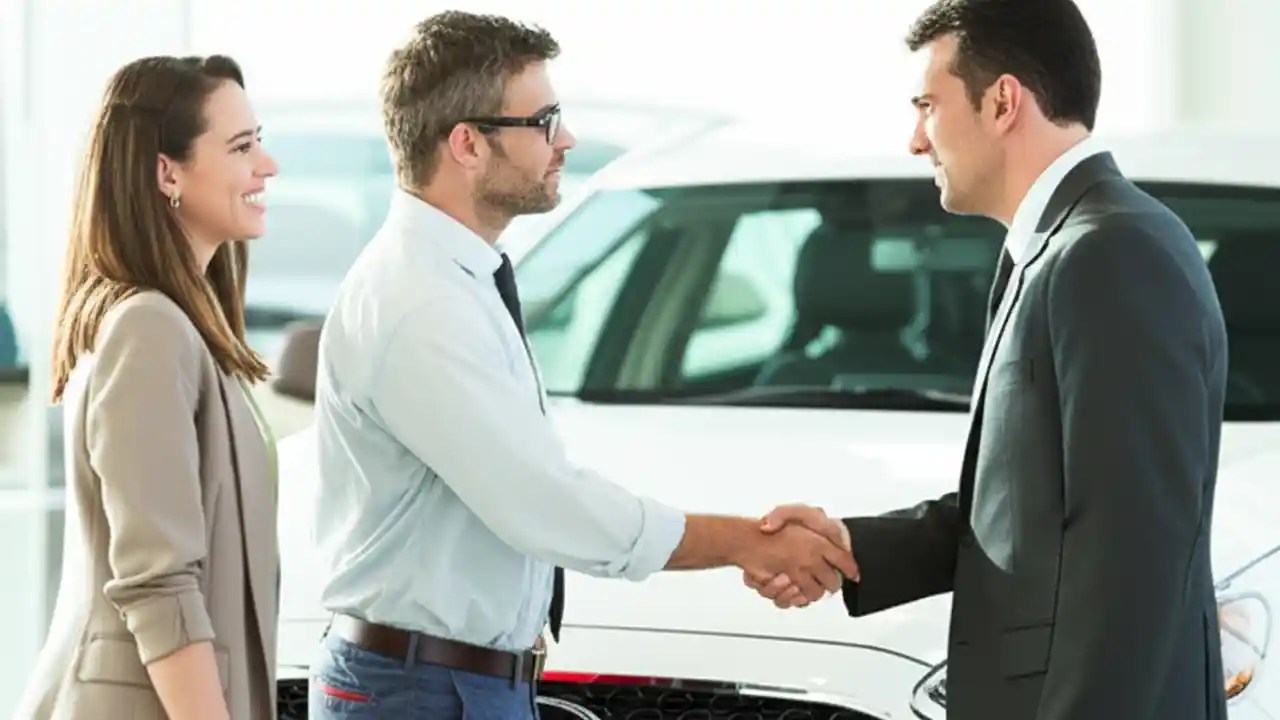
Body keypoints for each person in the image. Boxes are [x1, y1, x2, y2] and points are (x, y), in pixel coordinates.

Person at [306, 10, 857, 719]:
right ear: (467, 144)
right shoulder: (419, 302)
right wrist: (745, 541)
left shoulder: (456, 279)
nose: (566, 139)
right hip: (422, 692)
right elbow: (545, 503)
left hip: (449, 682)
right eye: (543, 121)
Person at [749, 0, 1230, 718]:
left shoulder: (1110, 252)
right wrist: (852, 547)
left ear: (1003, 101)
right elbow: (1027, 515)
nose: (916, 140)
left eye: (927, 105)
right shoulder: (1056, 248)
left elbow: (1131, 560)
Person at [17, 55, 281, 720]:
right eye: (242, 147)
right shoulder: (149, 328)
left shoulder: (175, 325)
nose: (267, 166)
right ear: (168, 172)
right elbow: (158, 584)